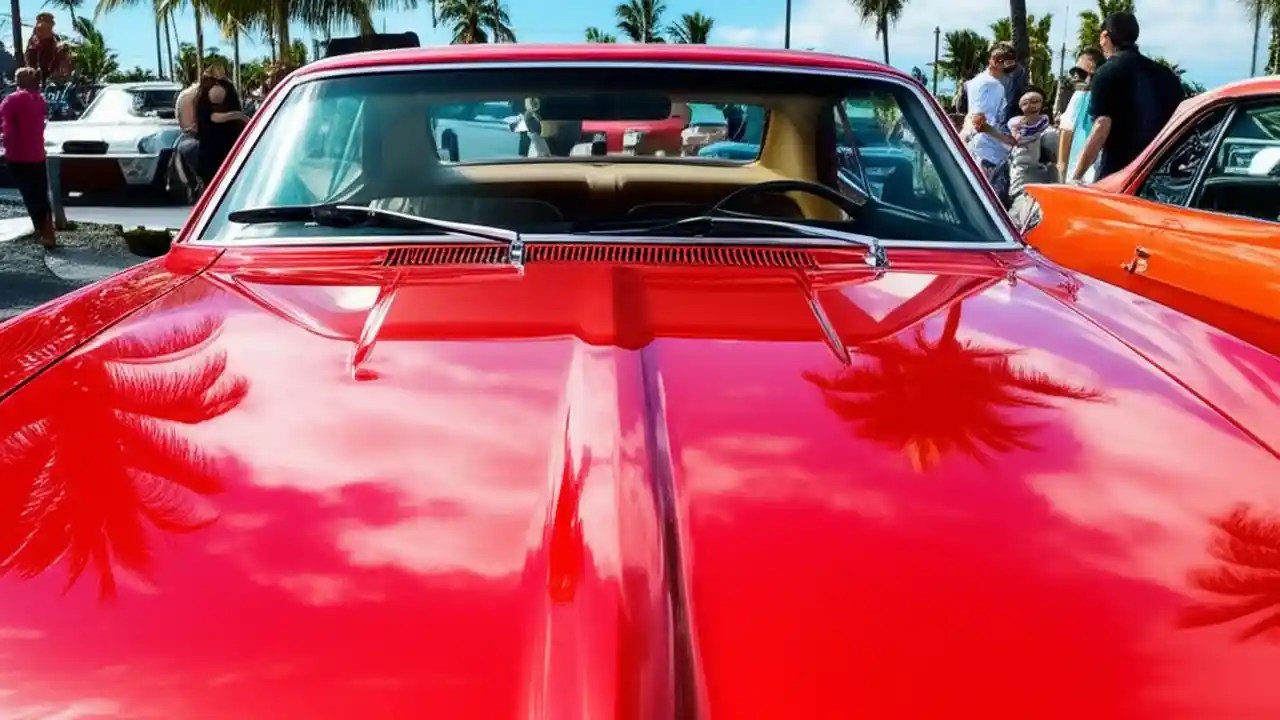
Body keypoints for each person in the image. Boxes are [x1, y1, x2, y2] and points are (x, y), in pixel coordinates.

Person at [1070, 12, 1183, 183]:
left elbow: (1101, 126)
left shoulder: (1107, 72)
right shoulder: (1167, 75)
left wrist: (1076, 177)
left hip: (1118, 177)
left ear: (1104, 36)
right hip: (1160, 177)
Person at [0, 67, 55, 248]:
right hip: (37, 153)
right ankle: (47, 230)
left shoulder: (10, 101)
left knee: (29, 194)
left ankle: (42, 233)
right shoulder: (40, 100)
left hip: (18, 154)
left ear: (17, 81)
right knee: (40, 193)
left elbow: (6, 130)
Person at [960, 44, 1016, 203]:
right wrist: (1005, 139)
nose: (1012, 69)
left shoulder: (976, 82)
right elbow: (979, 122)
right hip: (988, 153)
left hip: (976, 147)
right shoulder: (993, 85)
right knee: (993, 203)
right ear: (998, 62)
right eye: (1010, 63)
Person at [981, 88, 1056, 197]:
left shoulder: (1046, 127)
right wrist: (989, 130)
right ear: (1020, 107)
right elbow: (1012, 141)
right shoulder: (1016, 124)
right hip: (1021, 171)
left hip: (1038, 173)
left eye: (1035, 101)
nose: (1031, 105)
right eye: (1025, 103)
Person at [1057, 48, 1106, 184]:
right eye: (1075, 72)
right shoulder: (1079, 97)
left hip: (1095, 177)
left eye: (1082, 73)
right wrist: (1062, 177)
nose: (1076, 77)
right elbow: (1065, 134)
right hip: (1076, 177)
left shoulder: (1104, 97)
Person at [194, 74, 249, 186]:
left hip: (226, 155)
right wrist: (239, 116)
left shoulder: (205, 99)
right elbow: (215, 117)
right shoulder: (204, 106)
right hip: (212, 157)